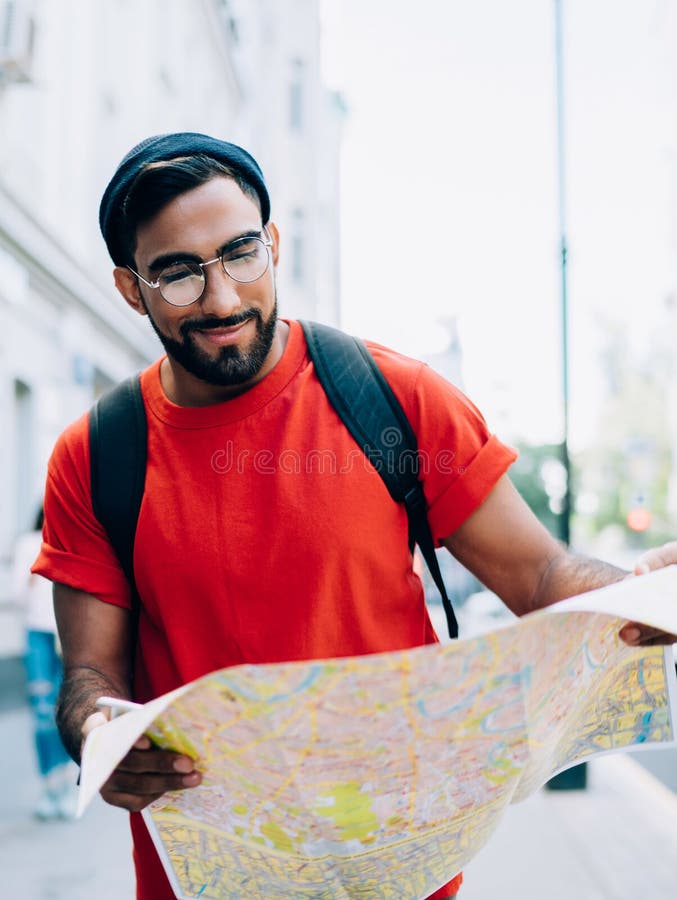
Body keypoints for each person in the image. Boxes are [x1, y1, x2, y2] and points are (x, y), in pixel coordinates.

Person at [32, 132, 677, 900]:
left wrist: (632, 593)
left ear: (272, 244)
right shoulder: (95, 453)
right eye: (176, 274)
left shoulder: (393, 397)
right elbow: (88, 677)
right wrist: (101, 737)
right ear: (130, 288)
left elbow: (538, 571)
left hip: (397, 875)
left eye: (241, 253)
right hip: (204, 878)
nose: (222, 298)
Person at [12, 507, 77, 820]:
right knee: (41, 711)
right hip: (38, 634)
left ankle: (66, 782)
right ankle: (48, 785)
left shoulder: (74, 540)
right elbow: (18, 595)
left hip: (68, 634)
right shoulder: (28, 544)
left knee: (65, 709)